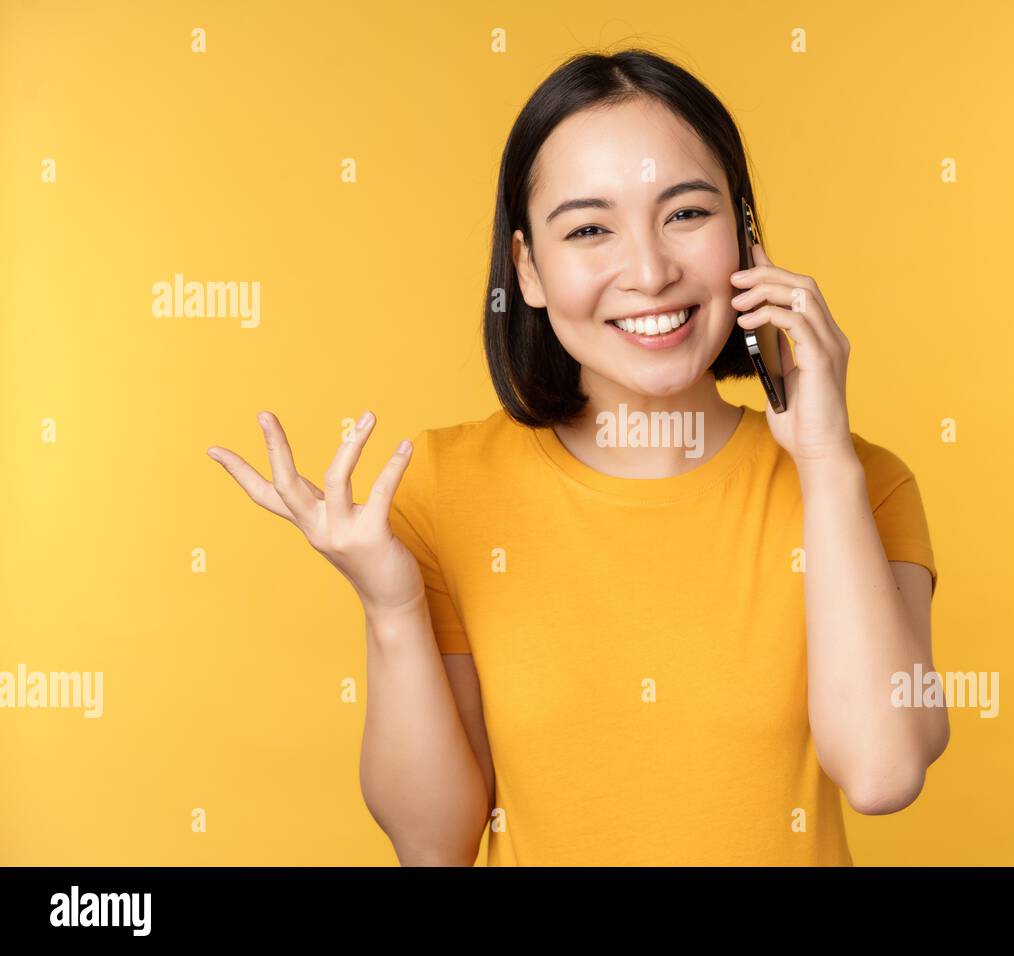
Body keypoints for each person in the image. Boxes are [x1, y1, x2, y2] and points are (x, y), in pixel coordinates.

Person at [206, 48, 944, 867]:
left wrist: (824, 463)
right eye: (591, 229)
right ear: (527, 268)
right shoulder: (443, 493)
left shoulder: (862, 483)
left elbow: (882, 772)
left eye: (687, 214)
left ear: (746, 234)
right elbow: (433, 848)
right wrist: (391, 608)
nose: (651, 271)